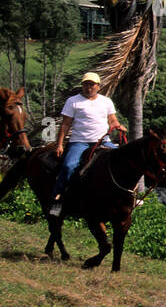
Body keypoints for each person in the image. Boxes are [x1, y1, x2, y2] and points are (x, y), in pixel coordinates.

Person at [48, 72, 127, 217]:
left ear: (98, 86)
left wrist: (118, 126)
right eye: (85, 84)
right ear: (82, 85)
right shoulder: (73, 101)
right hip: (80, 142)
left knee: (123, 161)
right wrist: (59, 144)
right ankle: (57, 199)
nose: (88, 87)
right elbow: (65, 125)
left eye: (92, 84)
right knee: (68, 166)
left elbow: (112, 120)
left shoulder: (106, 101)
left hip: (103, 141)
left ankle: (127, 196)